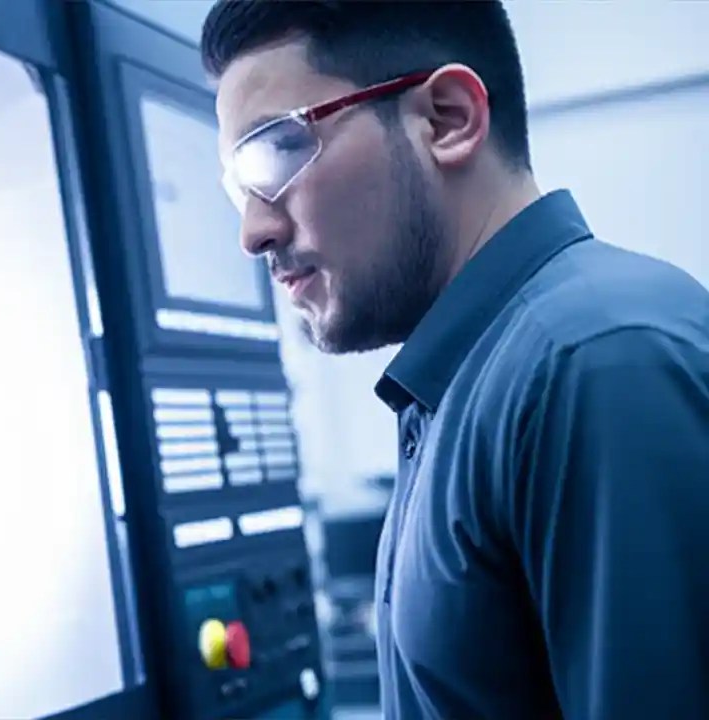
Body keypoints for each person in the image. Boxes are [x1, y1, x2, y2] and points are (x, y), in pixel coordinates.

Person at [200, 1, 709, 718]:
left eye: (276, 152)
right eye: (236, 184)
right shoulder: (469, 381)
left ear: (446, 118)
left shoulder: (596, 360)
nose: (252, 231)